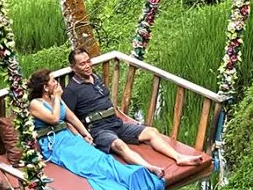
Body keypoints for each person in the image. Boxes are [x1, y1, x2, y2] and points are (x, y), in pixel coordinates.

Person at [27, 69, 164, 190]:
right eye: (53, 81)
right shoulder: (35, 103)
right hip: (55, 143)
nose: (57, 83)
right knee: (89, 164)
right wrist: (58, 98)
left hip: (69, 137)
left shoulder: (56, 99)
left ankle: (133, 175)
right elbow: (53, 119)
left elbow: (71, 118)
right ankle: (124, 183)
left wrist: (86, 134)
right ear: (45, 87)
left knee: (100, 157)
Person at [62, 48, 204, 172]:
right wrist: (83, 137)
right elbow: (68, 119)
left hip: (116, 123)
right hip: (98, 130)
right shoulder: (71, 90)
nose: (87, 66)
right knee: (119, 145)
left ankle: (178, 157)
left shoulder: (95, 77)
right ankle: (149, 167)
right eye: (82, 64)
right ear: (73, 68)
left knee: (151, 131)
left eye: (88, 61)